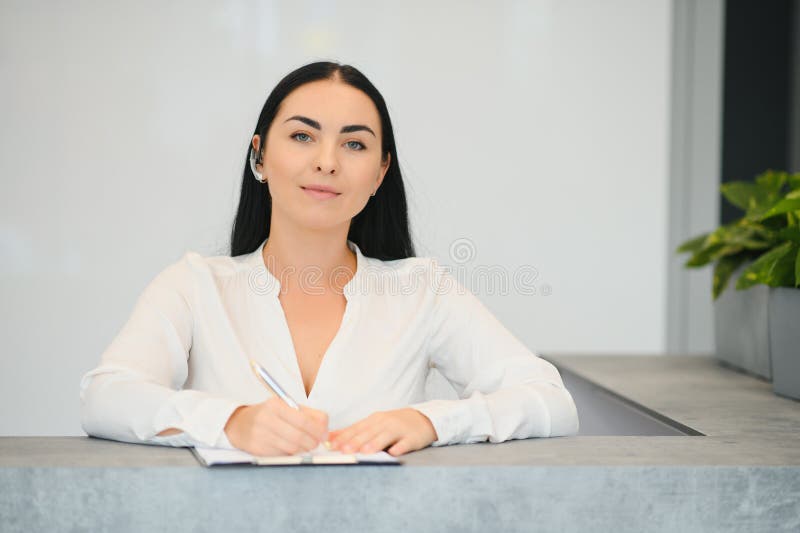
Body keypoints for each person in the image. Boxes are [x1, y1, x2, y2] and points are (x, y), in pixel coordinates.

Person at [79, 61, 579, 458]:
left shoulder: (423, 291)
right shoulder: (194, 286)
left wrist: (431, 421)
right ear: (259, 156)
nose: (327, 161)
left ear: (380, 173)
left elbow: (551, 402)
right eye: (302, 136)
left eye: (355, 144)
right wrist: (231, 422)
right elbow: (106, 397)